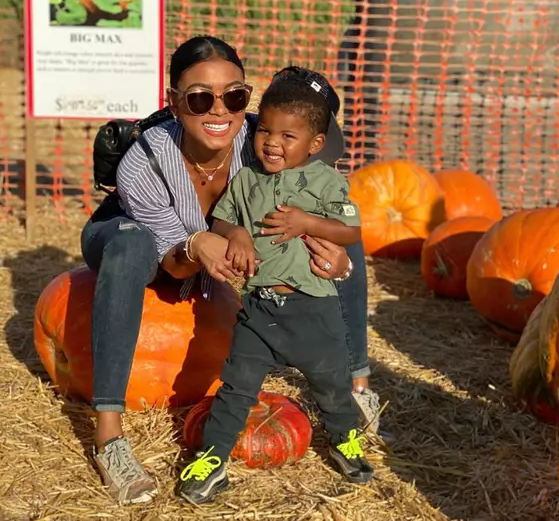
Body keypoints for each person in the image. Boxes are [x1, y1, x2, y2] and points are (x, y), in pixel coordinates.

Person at [80, 35, 379, 506]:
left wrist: (337, 265)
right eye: (200, 98)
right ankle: (110, 438)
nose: (219, 111)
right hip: (143, 247)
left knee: (344, 238)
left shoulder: (266, 139)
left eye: (234, 96)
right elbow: (174, 264)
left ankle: (359, 385)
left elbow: (324, 207)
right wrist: (201, 242)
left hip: (216, 255)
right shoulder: (145, 160)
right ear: (174, 102)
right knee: (129, 245)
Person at [175, 67, 374, 506]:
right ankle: (212, 459)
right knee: (235, 390)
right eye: (265, 130)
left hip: (313, 311)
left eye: (288, 136)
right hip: (259, 312)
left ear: (315, 144)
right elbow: (224, 218)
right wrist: (236, 234)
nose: (272, 142)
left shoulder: (327, 182)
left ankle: (345, 441)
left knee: (331, 387)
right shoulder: (246, 181)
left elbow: (350, 232)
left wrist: (307, 222)